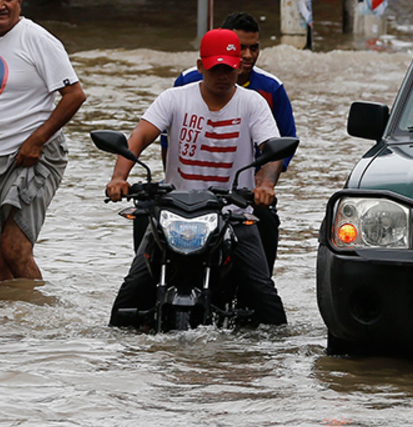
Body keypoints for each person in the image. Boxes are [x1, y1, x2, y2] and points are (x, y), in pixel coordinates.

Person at [106, 29, 287, 327]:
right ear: (201, 65)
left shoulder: (253, 103)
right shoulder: (173, 99)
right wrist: (119, 178)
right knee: (129, 296)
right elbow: (138, 138)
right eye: (215, 68)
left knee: (265, 298)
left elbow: (272, 149)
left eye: (228, 68)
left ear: (237, 67)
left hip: (232, 214)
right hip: (174, 215)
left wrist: (265, 185)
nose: (222, 75)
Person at [0, 0, 87, 282]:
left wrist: (38, 140)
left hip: (30, 156)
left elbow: (74, 95)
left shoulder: (37, 39)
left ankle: (40, 326)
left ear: (20, 2)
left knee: (15, 249)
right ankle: (4, 324)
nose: (0, 4)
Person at [172, 12, 296, 271]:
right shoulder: (185, 84)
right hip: (190, 194)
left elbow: (282, 146)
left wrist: (264, 185)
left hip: (243, 196)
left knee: (267, 222)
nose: (248, 55)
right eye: (241, 49)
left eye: (254, 48)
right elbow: (167, 142)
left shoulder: (270, 89)